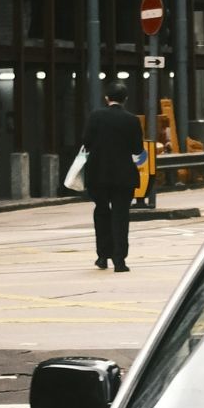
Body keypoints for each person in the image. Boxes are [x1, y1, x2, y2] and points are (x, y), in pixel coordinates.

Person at [80, 80, 144, 272]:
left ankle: (102, 257)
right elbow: (137, 149)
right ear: (125, 99)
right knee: (121, 216)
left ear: (106, 98)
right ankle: (119, 261)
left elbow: (86, 142)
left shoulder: (95, 116)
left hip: (98, 174)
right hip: (123, 176)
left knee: (101, 212)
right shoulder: (132, 120)